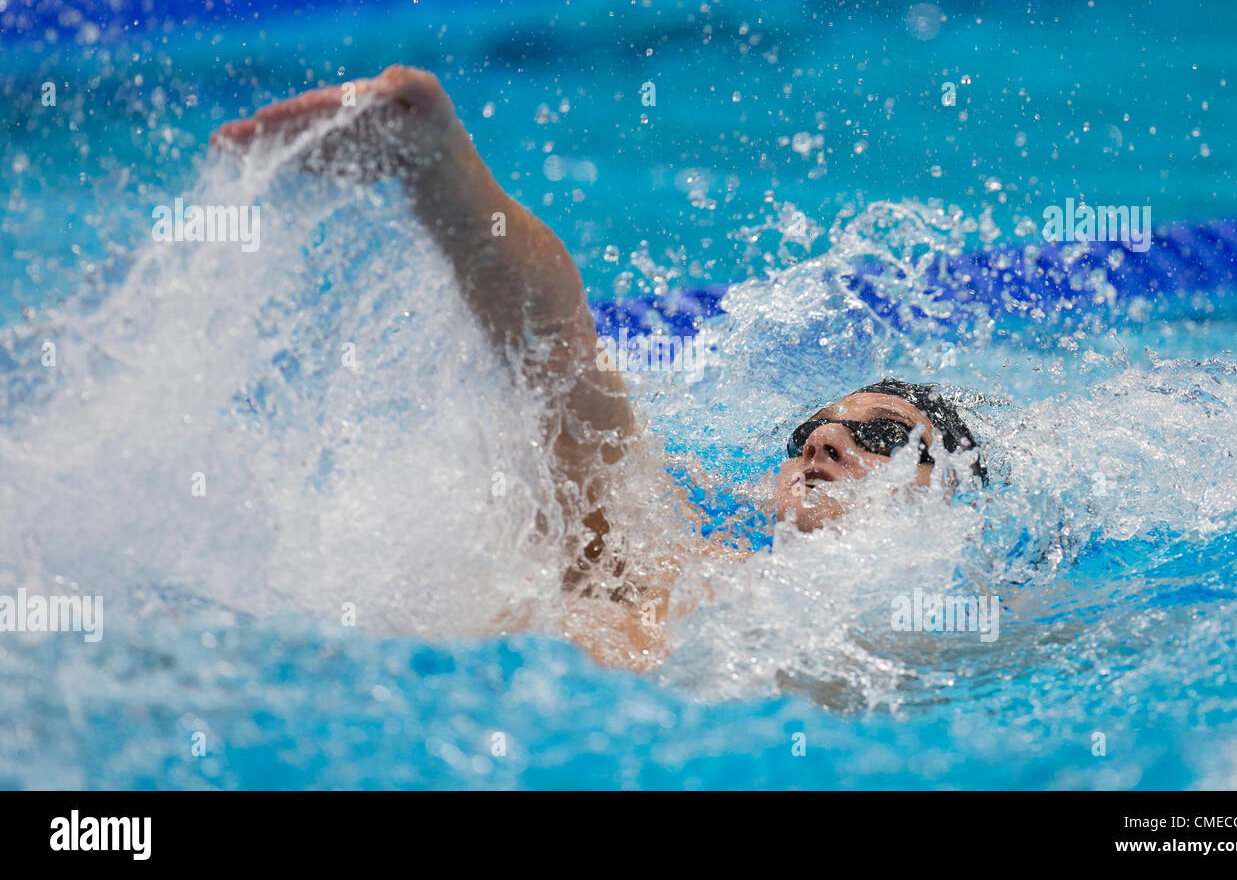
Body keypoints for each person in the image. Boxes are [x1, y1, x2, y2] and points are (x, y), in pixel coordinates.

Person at [211, 66, 985, 668]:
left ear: (948, 492)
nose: (820, 445)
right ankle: (435, 164)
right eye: (808, 431)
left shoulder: (962, 630)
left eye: (883, 437)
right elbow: (563, 359)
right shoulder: (674, 561)